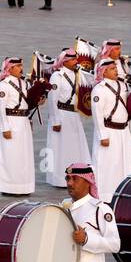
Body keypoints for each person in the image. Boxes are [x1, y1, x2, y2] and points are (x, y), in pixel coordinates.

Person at [89, 57, 131, 195]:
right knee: (107, 165)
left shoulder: (122, 85)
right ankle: (104, 194)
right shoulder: (99, 89)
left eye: (115, 68)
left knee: (125, 163)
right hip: (109, 132)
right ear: (103, 72)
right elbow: (97, 115)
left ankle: (123, 192)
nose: (116, 71)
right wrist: (102, 135)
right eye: (111, 69)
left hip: (123, 131)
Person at [46, 49, 92, 187]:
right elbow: (52, 99)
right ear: (64, 62)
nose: (76, 62)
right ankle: (60, 179)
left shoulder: (79, 75)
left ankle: (77, 175)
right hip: (61, 115)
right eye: (72, 60)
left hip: (74, 116)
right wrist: (55, 120)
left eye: (75, 59)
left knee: (75, 147)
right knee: (60, 148)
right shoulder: (57, 76)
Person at [0, 57, 36, 196]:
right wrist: (5, 128)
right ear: (10, 68)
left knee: (24, 155)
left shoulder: (24, 83)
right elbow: (1, 109)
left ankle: (23, 186)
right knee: (10, 155)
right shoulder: (4, 85)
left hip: (23, 121)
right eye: (18, 66)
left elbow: (28, 102)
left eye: (21, 66)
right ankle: (9, 187)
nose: (21, 69)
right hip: (11, 122)